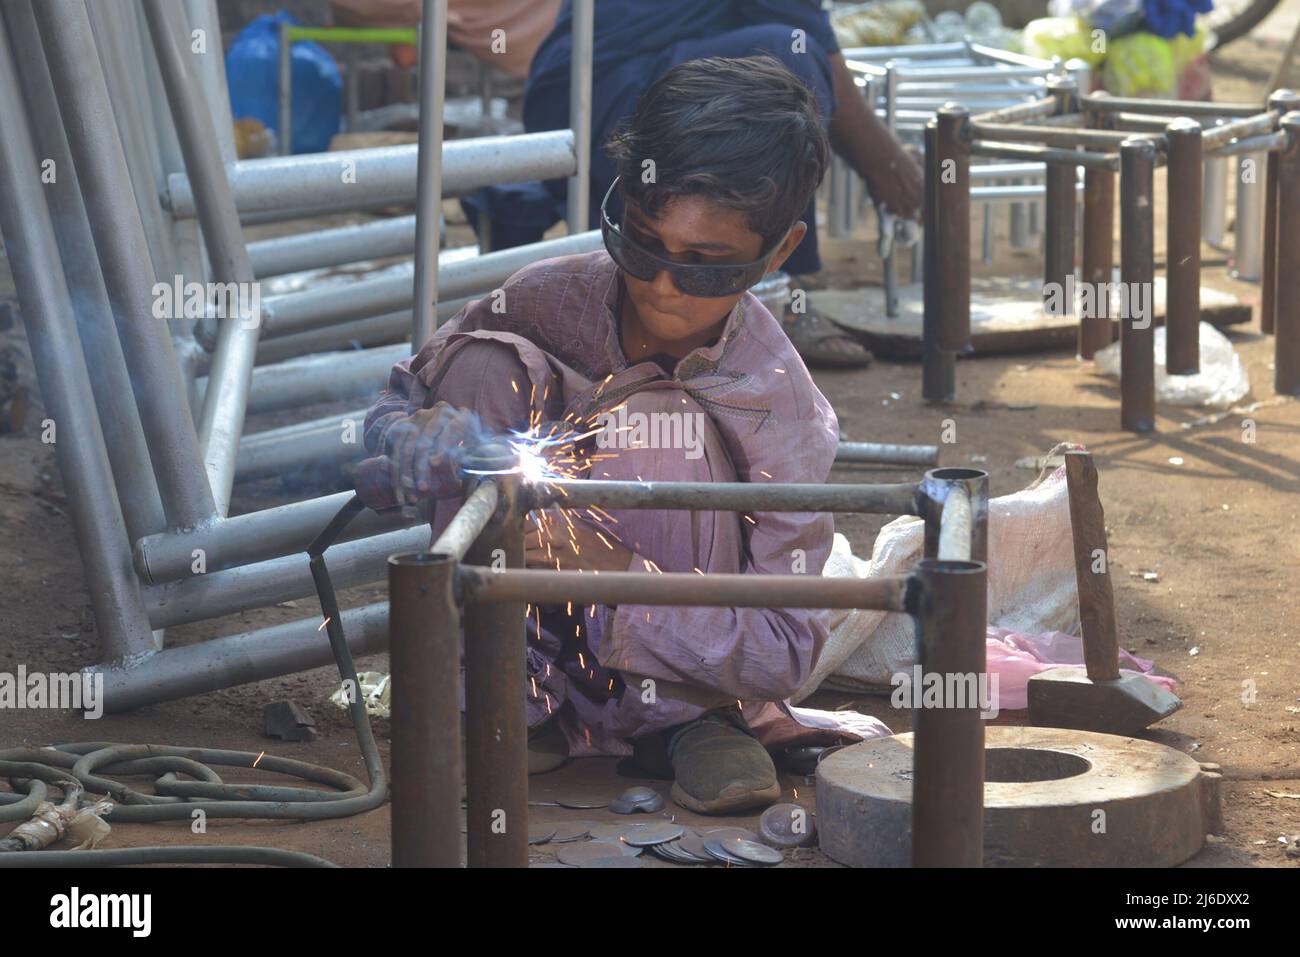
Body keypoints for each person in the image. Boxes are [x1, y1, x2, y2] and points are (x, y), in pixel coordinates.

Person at [365, 56, 838, 815]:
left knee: (662, 421)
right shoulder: (546, 297)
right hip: (519, 640)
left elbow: (786, 647)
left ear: (778, 252)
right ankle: (505, 696)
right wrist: (415, 433)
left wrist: (608, 566)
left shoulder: (780, 406)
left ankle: (688, 721)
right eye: (644, 244)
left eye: (703, 267)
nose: (659, 285)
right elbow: (392, 407)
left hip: (675, 667)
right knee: (483, 364)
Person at [465, 0, 924, 368]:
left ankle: (766, 291)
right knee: (790, 56)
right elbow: (821, 59)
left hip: (581, 91)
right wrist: (891, 168)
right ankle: (776, 293)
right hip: (601, 97)